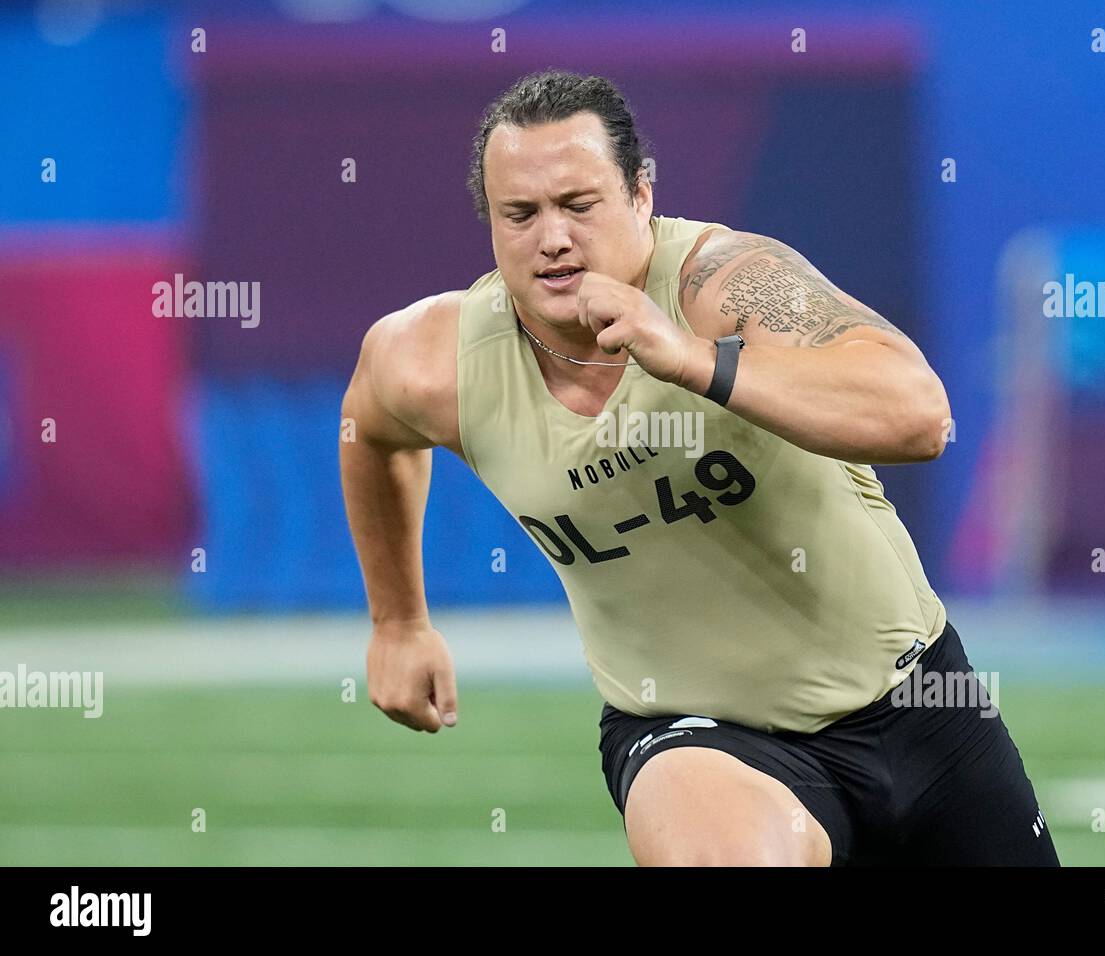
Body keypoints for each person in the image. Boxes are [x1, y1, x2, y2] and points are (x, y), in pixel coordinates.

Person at [340, 69, 1058, 867]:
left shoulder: (724, 286)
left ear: (641, 193)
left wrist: (693, 360)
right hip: (692, 732)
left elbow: (920, 415)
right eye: (521, 214)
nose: (552, 238)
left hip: (917, 705)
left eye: (579, 205)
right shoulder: (437, 361)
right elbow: (370, 432)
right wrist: (398, 623)